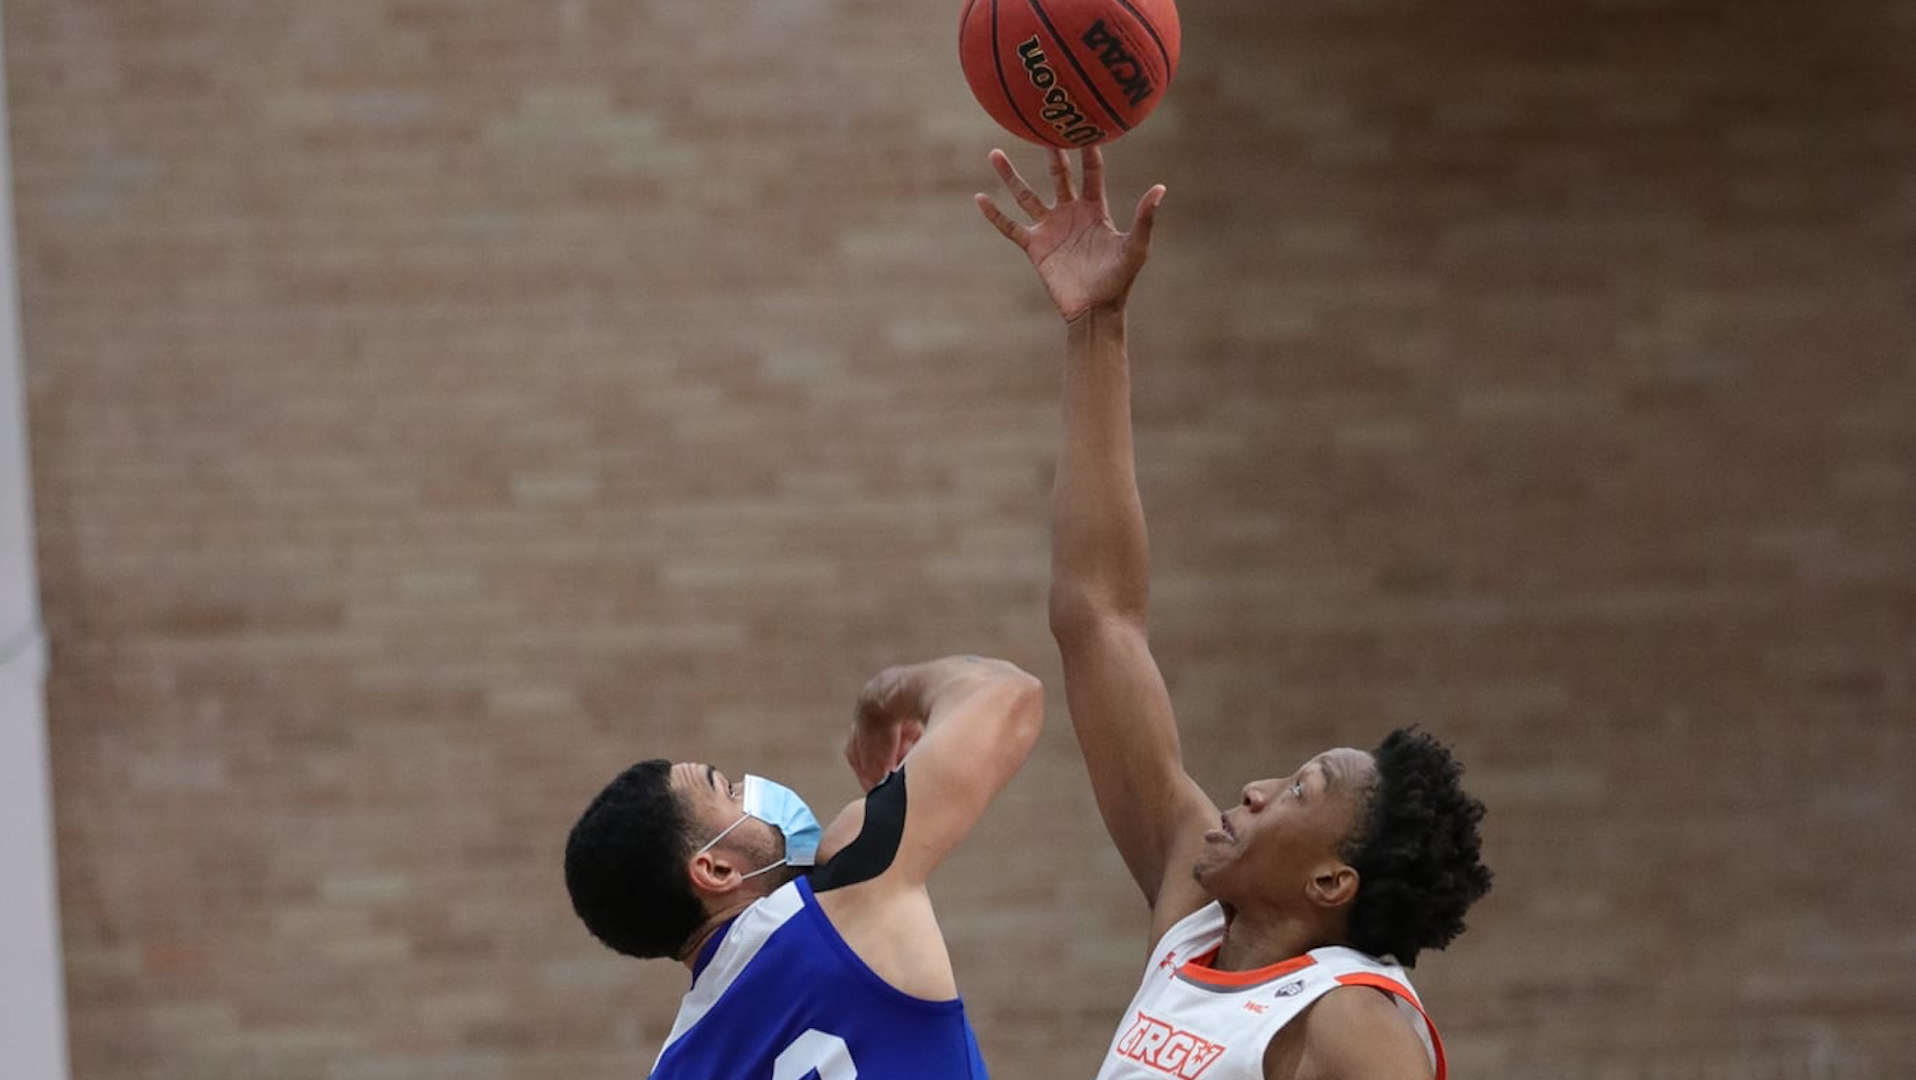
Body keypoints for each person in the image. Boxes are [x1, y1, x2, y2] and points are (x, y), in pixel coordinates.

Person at [978, 147, 1493, 1080]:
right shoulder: (1193, 922)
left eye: (1298, 793)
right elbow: (1098, 617)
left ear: (1332, 883)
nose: (1252, 788)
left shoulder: (1352, 1020)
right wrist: (1097, 326)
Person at [564, 654, 1042, 1079]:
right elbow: (1008, 695)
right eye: (727, 790)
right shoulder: (850, 887)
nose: (751, 789)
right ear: (716, 871)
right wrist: (884, 696)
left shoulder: (673, 1066)